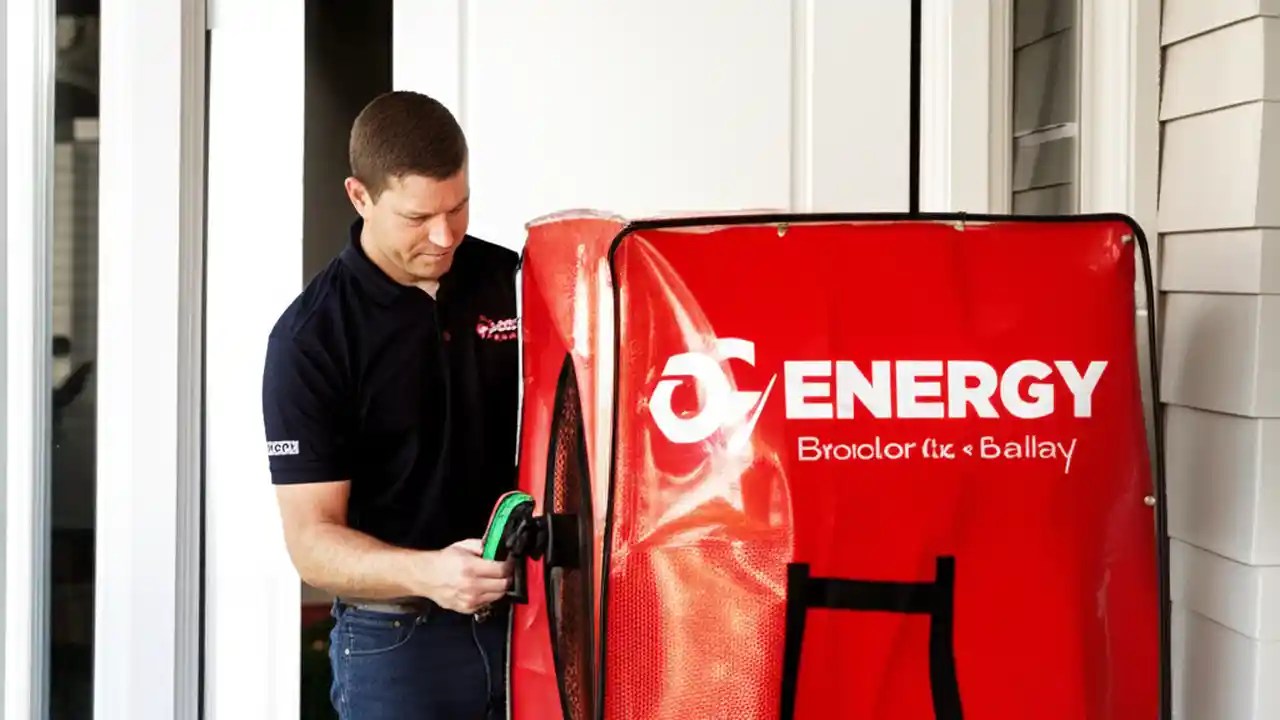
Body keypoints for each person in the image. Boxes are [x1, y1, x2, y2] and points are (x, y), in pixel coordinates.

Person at [261, 90, 519, 719]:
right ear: (360, 197)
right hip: (397, 645)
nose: (444, 235)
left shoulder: (511, 279)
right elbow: (312, 540)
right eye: (416, 217)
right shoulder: (311, 339)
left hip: (532, 625)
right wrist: (430, 573)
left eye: (458, 207)